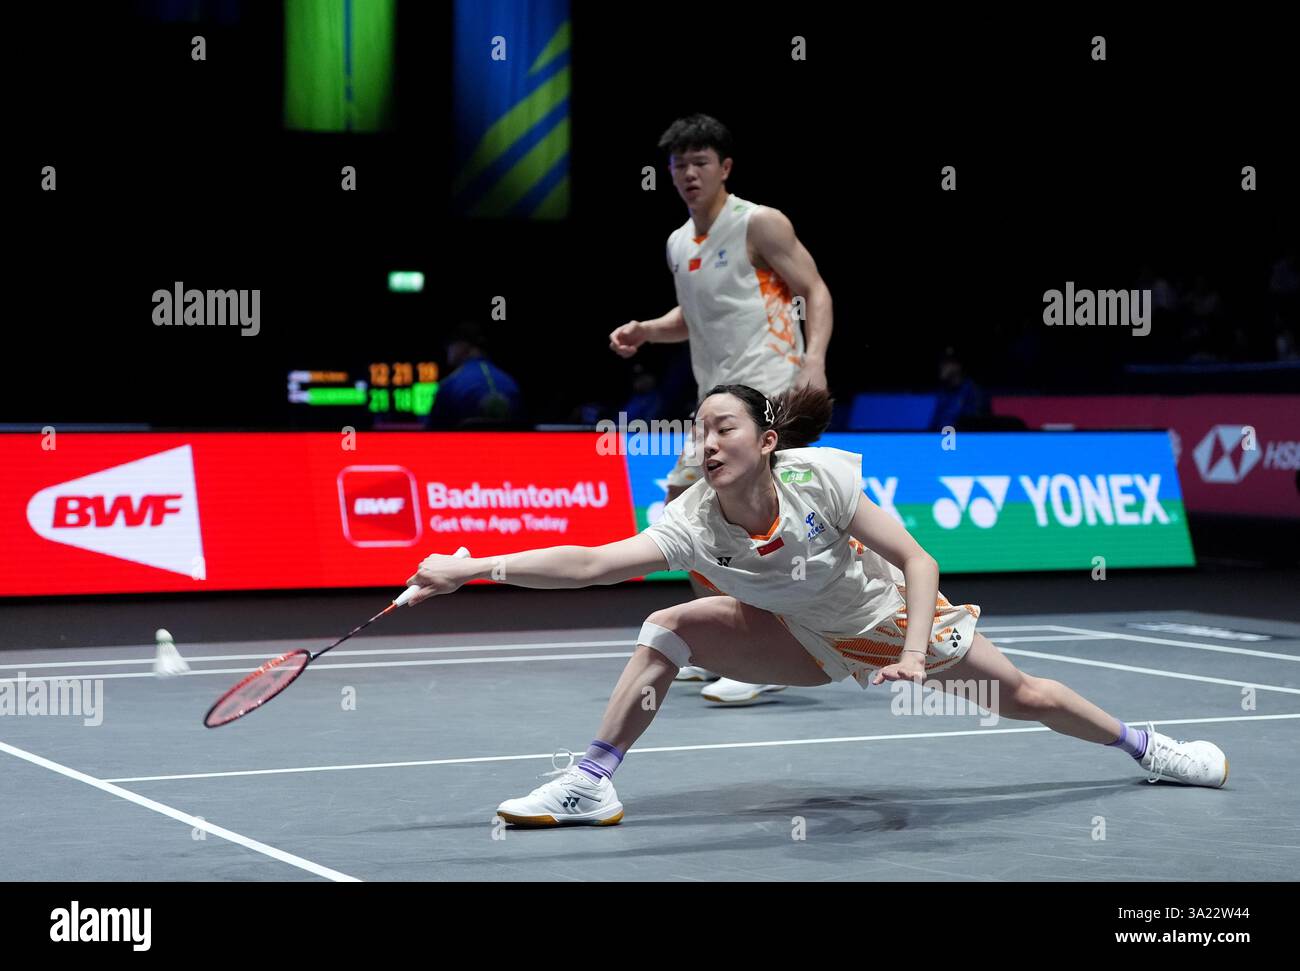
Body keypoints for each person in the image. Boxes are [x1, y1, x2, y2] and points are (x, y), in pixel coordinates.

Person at [403, 383, 1229, 827]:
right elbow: (588, 563)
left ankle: (1149, 746)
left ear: (766, 440)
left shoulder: (821, 476)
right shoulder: (692, 520)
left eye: (723, 427)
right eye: (699, 431)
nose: (707, 442)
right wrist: (470, 565)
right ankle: (591, 780)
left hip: (891, 623)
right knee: (668, 626)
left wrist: (909, 649)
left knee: (1027, 697)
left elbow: (917, 556)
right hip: (803, 638)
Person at [607, 113, 834, 704]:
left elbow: (815, 290)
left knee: (756, 524)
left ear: (724, 167)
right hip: (716, 404)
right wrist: (646, 331)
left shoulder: (759, 223)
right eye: (678, 164)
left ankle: (770, 651)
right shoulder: (679, 243)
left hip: (769, 389)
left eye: (699, 162)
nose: (688, 173)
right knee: (682, 510)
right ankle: (731, 638)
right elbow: (695, 316)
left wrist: (813, 363)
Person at [425, 321, 523, 428]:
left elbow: (433, 432)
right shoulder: (511, 383)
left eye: (450, 344)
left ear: (464, 345)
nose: (447, 350)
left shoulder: (449, 386)